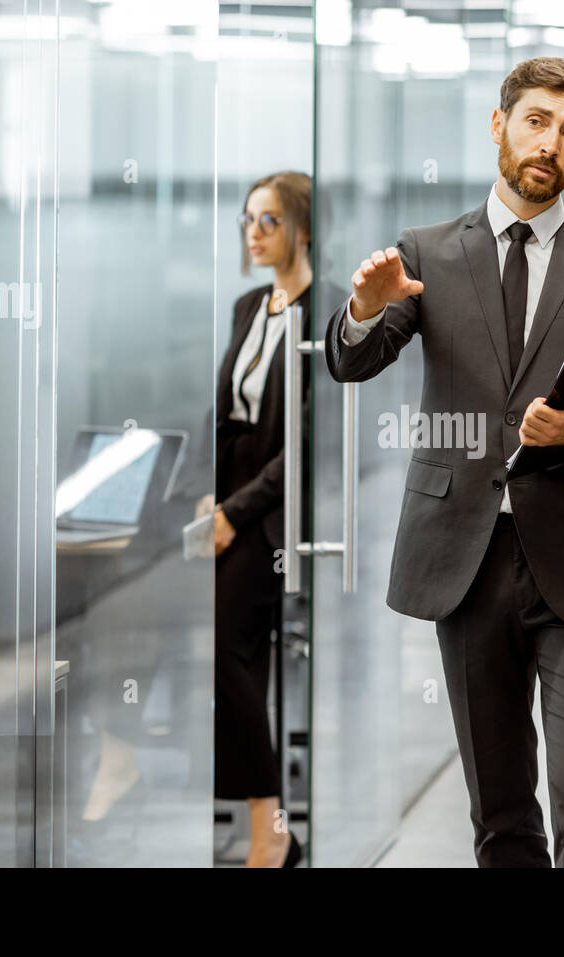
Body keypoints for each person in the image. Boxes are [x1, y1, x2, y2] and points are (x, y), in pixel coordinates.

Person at [325, 57, 564, 867]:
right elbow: (354, 361)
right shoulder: (428, 252)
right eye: (537, 120)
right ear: (500, 125)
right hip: (465, 561)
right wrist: (360, 311)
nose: (551, 142)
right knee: (501, 820)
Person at [189, 171, 312, 867]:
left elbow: (303, 443)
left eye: (268, 220)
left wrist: (235, 512)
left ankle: (271, 829)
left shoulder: (318, 312)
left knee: (225, 658)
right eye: (247, 220)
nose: (253, 233)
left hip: (268, 517)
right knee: (235, 662)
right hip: (228, 499)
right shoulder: (248, 307)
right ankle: (264, 826)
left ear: (301, 227)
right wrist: (208, 496)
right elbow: (222, 412)